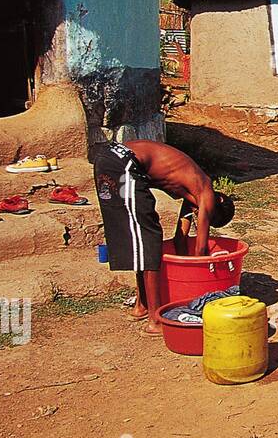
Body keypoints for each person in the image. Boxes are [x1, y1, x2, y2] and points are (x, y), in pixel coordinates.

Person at [91, 140, 235, 334]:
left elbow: (179, 240)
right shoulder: (206, 191)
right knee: (150, 240)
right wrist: (201, 281)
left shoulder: (191, 192)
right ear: (217, 203)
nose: (200, 216)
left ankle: (141, 306)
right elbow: (201, 248)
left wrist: (184, 273)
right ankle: (155, 321)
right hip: (124, 162)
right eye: (208, 217)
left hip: (109, 157)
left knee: (139, 238)